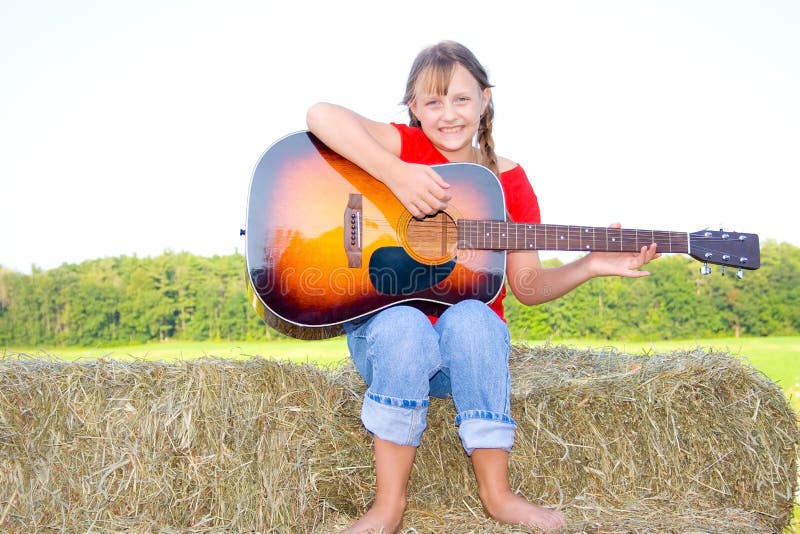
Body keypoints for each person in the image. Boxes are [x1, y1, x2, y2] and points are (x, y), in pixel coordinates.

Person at [306, 40, 659, 533]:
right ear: (414, 108)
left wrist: (589, 265)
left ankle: (498, 496)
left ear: (485, 100)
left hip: (464, 362)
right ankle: (388, 506)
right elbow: (321, 114)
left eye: (461, 99)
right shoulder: (406, 150)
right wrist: (396, 175)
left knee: (474, 314)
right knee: (406, 322)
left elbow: (528, 285)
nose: (448, 114)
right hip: (390, 350)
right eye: (433, 101)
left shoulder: (510, 182)